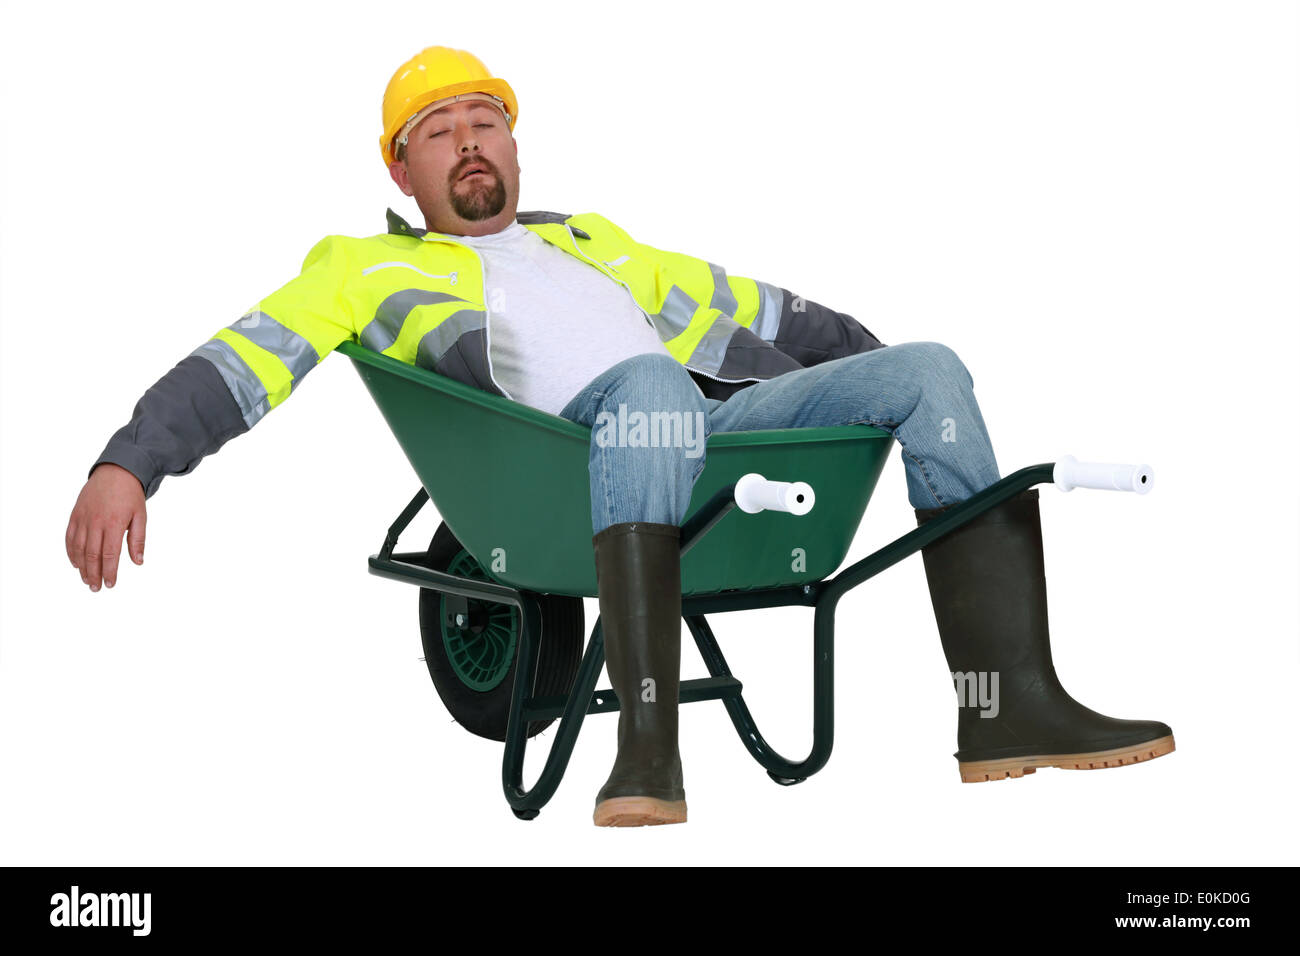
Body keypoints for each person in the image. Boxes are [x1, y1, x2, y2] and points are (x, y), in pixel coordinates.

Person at [66, 45, 1174, 828]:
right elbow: (244, 356)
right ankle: (645, 741)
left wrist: (865, 382)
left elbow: (769, 313)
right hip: (556, 464)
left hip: (704, 440)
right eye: (435, 133)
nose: (467, 143)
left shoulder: (598, 242)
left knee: (927, 368)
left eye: (483, 120)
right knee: (645, 377)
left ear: (513, 141)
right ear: (398, 171)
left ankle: (1002, 706)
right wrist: (130, 458)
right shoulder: (361, 267)